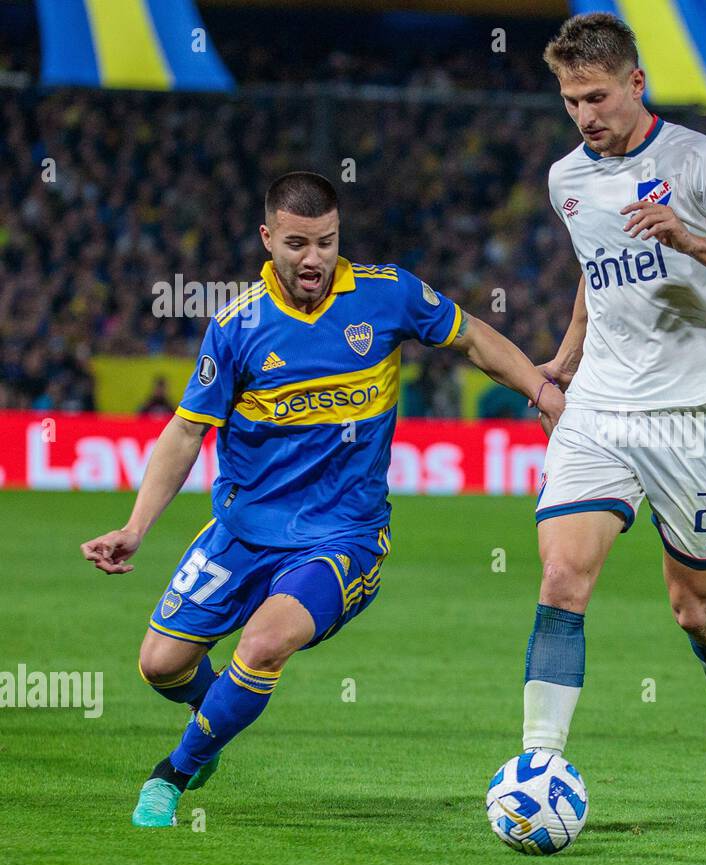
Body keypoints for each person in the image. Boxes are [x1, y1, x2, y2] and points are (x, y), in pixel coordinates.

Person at [80, 171, 564, 827]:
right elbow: (187, 430)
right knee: (161, 665)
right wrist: (137, 526)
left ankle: (174, 772)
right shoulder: (238, 326)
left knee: (263, 643)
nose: (314, 259)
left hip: (345, 537)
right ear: (267, 239)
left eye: (327, 242)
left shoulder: (387, 295)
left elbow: (474, 336)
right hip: (242, 534)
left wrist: (540, 391)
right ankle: (211, 723)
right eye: (297, 244)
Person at [522, 14, 706, 801]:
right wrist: (565, 364)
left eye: (597, 96)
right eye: (570, 100)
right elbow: (595, 267)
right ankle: (538, 765)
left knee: (693, 606)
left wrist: (689, 238)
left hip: (696, 414)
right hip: (601, 407)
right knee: (563, 576)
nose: (584, 116)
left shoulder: (699, 162)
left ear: (637, 83)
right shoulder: (566, 178)